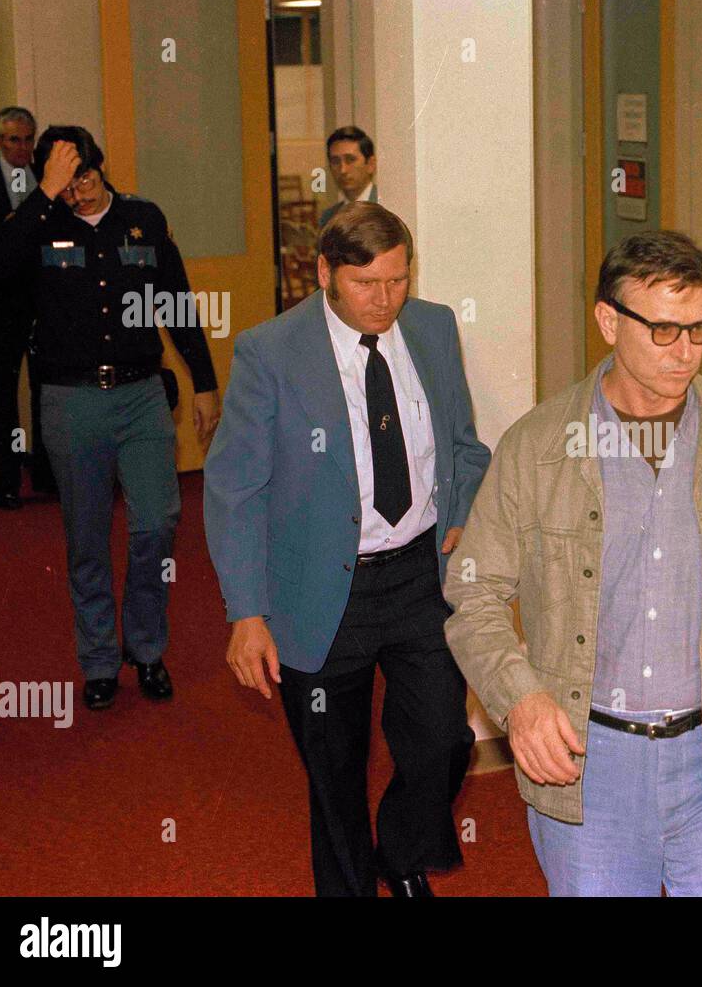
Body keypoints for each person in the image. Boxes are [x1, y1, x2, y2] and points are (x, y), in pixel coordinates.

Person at [443, 230, 702, 896]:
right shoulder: (536, 448)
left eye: (700, 328)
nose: (686, 351)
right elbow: (473, 591)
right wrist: (521, 699)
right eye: (662, 329)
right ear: (607, 321)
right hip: (589, 766)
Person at [204, 201, 491, 897]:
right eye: (367, 283)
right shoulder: (270, 351)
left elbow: (465, 447)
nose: (385, 300)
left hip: (422, 573)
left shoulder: (431, 327)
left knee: (446, 741)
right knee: (334, 774)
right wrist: (247, 612)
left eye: (398, 280)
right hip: (322, 588)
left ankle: (398, 851)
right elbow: (234, 487)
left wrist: (461, 512)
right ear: (325, 271)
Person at [0, 125, 221, 709]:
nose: (78, 192)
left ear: (101, 166)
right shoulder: (39, 225)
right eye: (66, 183)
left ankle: (145, 648)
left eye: (85, 176)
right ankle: (97, 658)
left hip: (141, 396)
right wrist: (45, 196)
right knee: (86, 536)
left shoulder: (141, 218)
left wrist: (204, 382)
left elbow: (176, 301)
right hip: (71, 401)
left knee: (158, 522)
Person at [0, 105, 54, 507]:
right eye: (15, 140)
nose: (23, 148)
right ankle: (5, 483)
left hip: (44, 300)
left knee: (48, 389)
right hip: (1, 303)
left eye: (27, 139)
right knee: (1, 395)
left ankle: (46, 475)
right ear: (0, 141)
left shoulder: (48, 177)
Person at [319, 126, 378, 228]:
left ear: (370, 164)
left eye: (350, 159)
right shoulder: (329, 217)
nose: (343, 170)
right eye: (336, 161)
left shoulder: (386, 207)